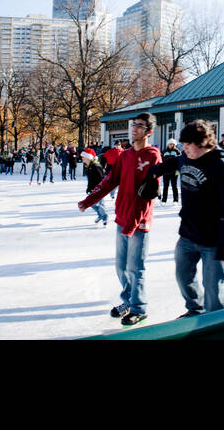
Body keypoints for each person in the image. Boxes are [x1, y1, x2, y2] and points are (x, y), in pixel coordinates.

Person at [76, 114, 161, 326]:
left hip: (139, 222)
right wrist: (89, 200)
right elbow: (109, 182)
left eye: (140, 126)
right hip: (122, 218)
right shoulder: (125, 155)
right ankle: (129, 302)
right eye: (134, 125)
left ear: (149, 131)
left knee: (136, 267)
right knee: (121, 266)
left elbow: (148, 193)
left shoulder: (153, 156)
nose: (134, 129)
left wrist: (133, 223)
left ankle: (139, 308)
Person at [169, 120, 224, 318]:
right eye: (182, 145)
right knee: (183, 278)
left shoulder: (221, 165)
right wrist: (153, 172)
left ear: (202, 143)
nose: (183, 149)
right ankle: (195, 310)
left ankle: (215, 325)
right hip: (187, 236)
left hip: (214, 241)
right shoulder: (185, 157)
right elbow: (174, 162)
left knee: (213, 290)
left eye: (187, 145)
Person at [80, 148, 108, 226]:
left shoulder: (96, 166)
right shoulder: (89, 166)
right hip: (93, 190)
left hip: (99, 190)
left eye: (83, 156)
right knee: (92, 204)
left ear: (88, 157)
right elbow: (90, 180)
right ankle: (101, 215)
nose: (82, 158)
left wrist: (99, 189)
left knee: (100, 204)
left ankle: (104, 217)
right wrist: (88, 189)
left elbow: (102, 179)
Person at [159, 139, 181, 205]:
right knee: (165, 186)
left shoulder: (177, 152)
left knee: (174, 186)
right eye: (169, 144)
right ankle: (164, 200)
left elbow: (179, 163)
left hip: (174, 172)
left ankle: (175, 200)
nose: (170, 145)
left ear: (174, 145)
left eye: (172, 144)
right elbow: (161, 161)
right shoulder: (164, 152)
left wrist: (178, 172)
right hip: (166, 172)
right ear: (168, 145)